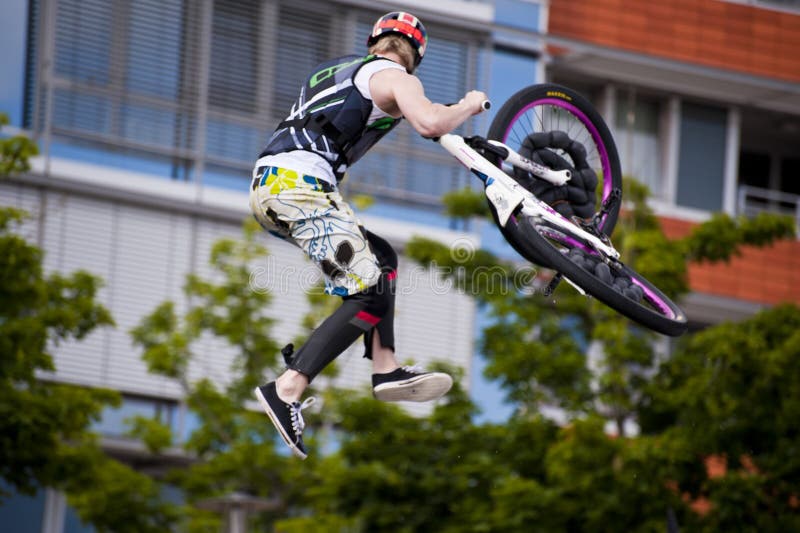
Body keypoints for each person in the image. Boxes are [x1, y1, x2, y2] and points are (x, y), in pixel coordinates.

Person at [250, 11, 488, 459]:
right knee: (368, 292)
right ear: (415, 55)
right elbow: (430, 122)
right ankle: (288, 388)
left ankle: (385, 366)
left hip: (271, 188)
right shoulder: (396, 76)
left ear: (373, 41)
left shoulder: (337, 71)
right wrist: (468, 106)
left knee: (382, 261)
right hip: (301, 188)